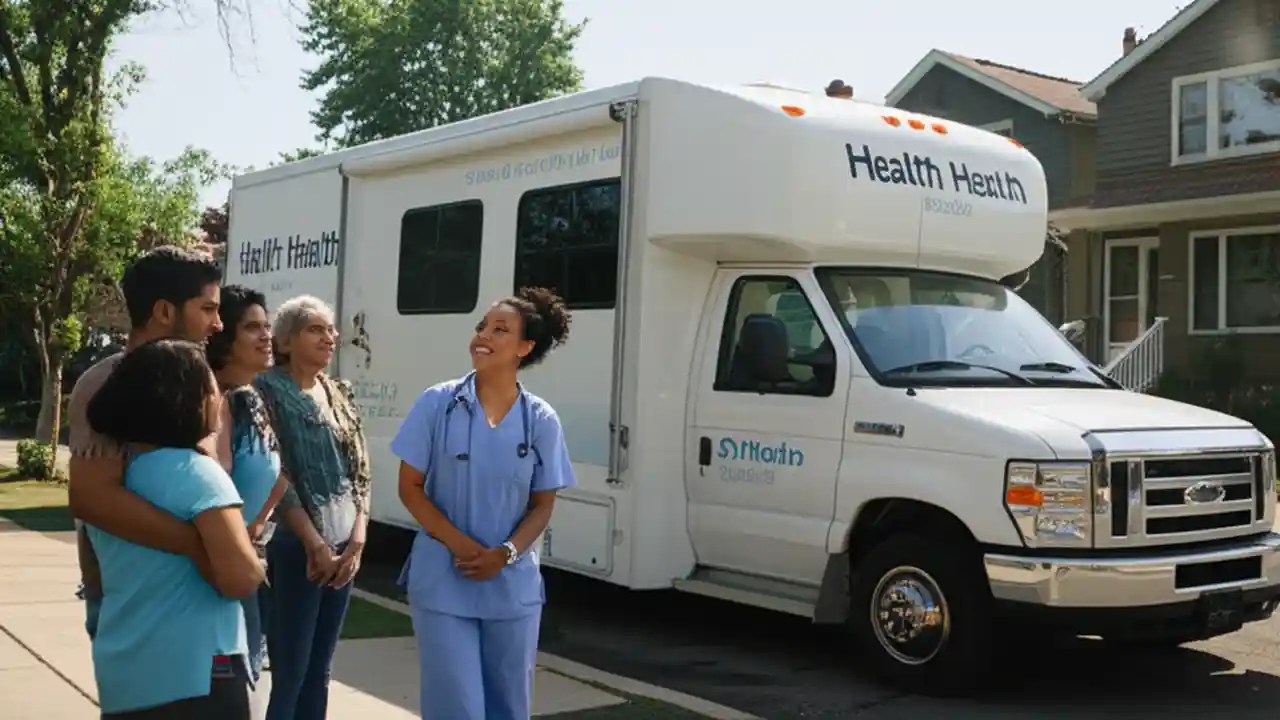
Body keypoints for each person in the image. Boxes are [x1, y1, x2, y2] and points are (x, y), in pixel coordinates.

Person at [391, 286, 578, 720]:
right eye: (481, 326)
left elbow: (542, 505)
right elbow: (410, 488)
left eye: (499, 329)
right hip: (444, 583)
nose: (483, 336)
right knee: (459, 710)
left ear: (525, 348)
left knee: (509, 709)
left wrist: (506, 554)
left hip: (512, 592)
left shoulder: (541, 420)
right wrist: (461, 546)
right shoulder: (437, 404)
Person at [85, 338, 265, 718]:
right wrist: (255, 560)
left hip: (124, 675)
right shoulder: (199, 475)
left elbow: (94, 575)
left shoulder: (110, 481)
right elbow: (240, 578)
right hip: (197, 676)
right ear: (189, 400)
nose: (219, 398)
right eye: (212, 388)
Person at [67, 245, 226, 640]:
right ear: (164, 312)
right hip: (135, 606)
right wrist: (204, 545)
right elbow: (92, 498)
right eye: (207, 309)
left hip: (200, 598)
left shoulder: (197, 381)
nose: (219, 324)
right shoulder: (106, 383)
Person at [253, 294, 371, 720]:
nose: (330, 337)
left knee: (320, 669)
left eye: (331, 329)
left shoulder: (338, 391)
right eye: (316, 329)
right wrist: (314, 543)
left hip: (343, 546)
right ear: (286, 340)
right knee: (292, 670)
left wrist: (357, 539)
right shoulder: (266, 390)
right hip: (295, 547)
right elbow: (274, 471)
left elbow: (360, 469)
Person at [206, 285, 288, 711]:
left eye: (267, 326)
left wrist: (258, 527)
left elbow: (279, 477)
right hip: (216, 579)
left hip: (249, 569)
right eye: (252, 327)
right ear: (226, 339)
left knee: (248, 694)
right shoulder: (214, 403)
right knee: (230, 700)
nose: (265, 336)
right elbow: (208, 491)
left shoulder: (254, 398)